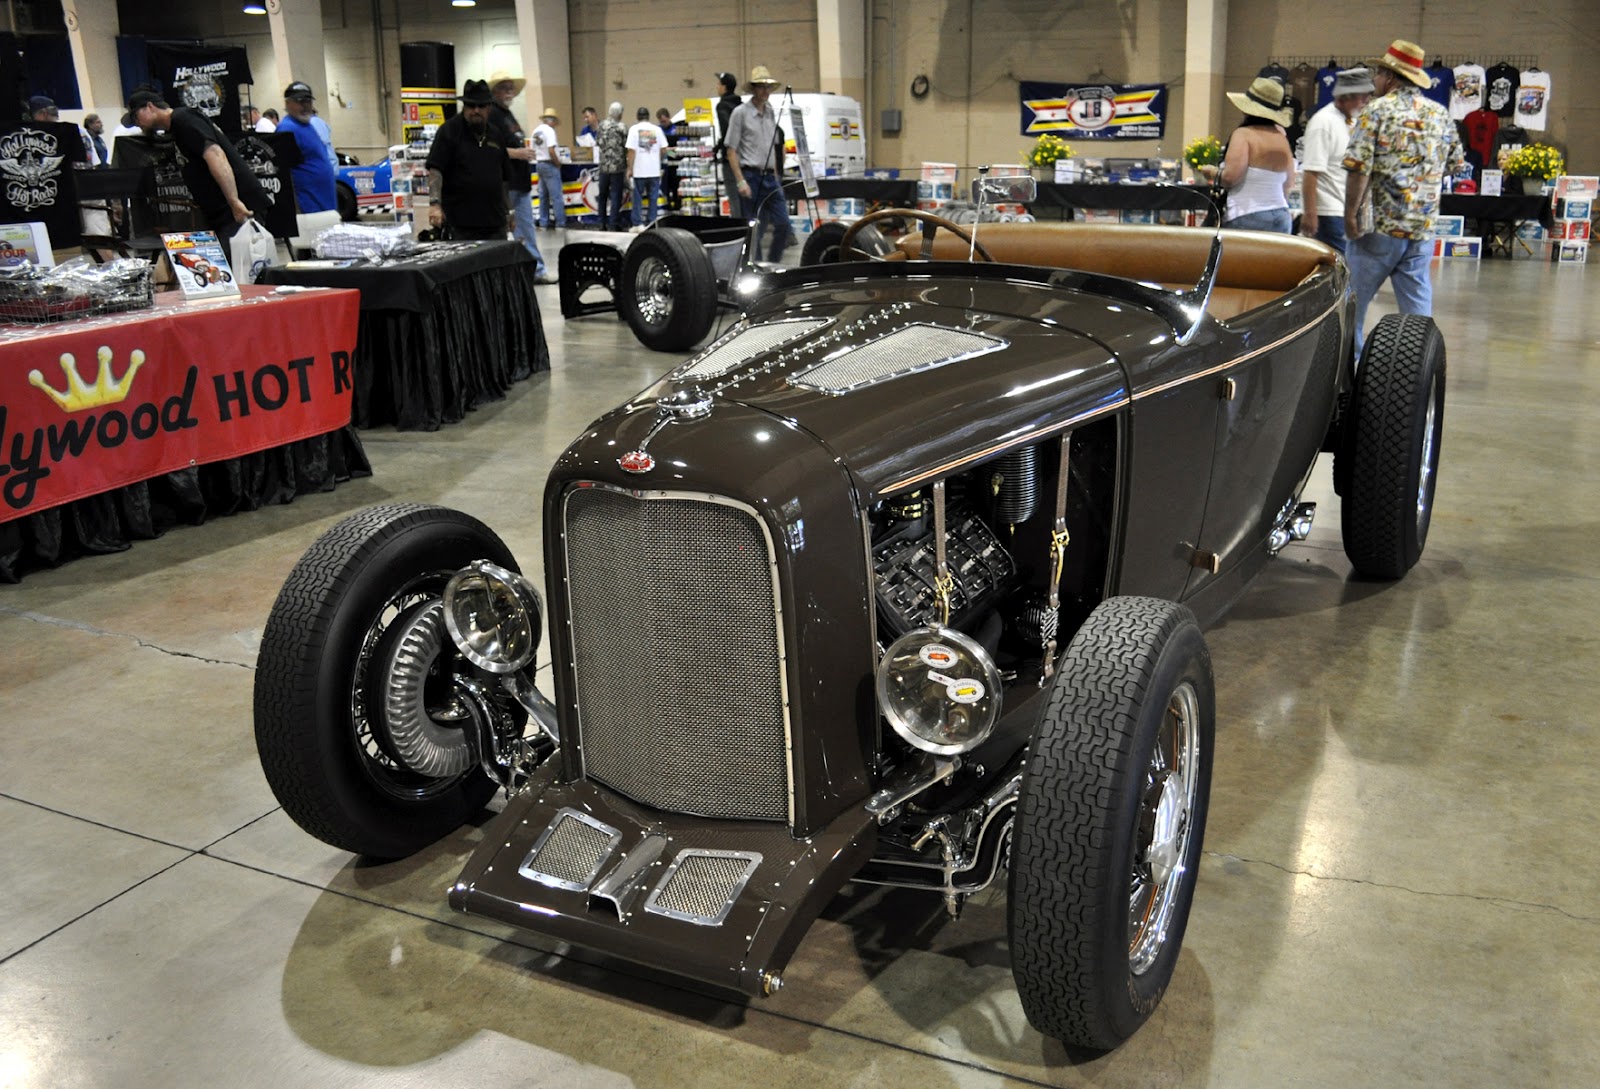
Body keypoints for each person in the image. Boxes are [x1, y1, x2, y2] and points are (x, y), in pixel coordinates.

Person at [1342, 39, 1465, 354]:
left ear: (1389, 76)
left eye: (1377, 74)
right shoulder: (1440, 114)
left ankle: (1348, 376)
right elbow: (1454, 165)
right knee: (1417, 311)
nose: (1374, 80)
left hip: (1379, 228)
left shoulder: (1377, 111)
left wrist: (1350, 215)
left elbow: (1359, 169)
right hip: (1422, 228)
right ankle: (1417, 372)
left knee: (1353, 305)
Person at [127, 89, 271, 240]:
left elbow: (216, 155)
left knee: (240, 261)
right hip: (221, 209)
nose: (137, 124)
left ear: (150, 107)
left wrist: (234, 202)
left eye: (136, 117)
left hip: (237, 206)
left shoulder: (184, 120)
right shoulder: (175, 128)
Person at [424, 79, 511, 242]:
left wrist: (509, 212)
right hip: (460, 225)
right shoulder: (449, 131)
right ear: (464, 107)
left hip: (495, 224)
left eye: (481, 106)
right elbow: (436, 170)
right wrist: (435, 204)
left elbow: (504, 178)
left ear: (489, 108)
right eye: (471, 106)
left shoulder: (496, 134)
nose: (476, 110)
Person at [1205, 76, 1295, 232]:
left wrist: (1211, 172)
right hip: (1281, 214)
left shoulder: (1243, 134)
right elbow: (1288, 183)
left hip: (1246, 213)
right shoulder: (1282, 139)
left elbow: (1231, 177)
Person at [724, 65, 795, 261]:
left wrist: (776, 174)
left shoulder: (771, 111)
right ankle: (756, 266)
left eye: (768, 87)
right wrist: (740, 181)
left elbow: (774, 145)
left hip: (770, 177)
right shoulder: (740, 113)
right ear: (754, 89)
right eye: (761, 87)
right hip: (751, 176)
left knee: (783, 224)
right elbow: (731, 150)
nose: (766, 91)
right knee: (755, 227)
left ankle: (772, 263)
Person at [1299, 67, 1373, 253]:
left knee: (1344, 272)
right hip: (1328, 213)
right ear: (1345, 96)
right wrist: (1310, 213)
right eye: (1361, 96)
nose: (1366, 100)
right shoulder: (1323, 122)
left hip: (1345, 211)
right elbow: (1310, 172)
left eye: (1368, 95)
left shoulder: (1352, 120)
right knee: (1341, 272)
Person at [486, 70, 551, 281]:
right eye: (505, 88)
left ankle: (532, 269)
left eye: (511, 88)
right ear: (495, 91)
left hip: (519, 181)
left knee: (525, 228)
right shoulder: (493, 115)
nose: (509, 92)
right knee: (521, 228)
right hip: (509, 182)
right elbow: (491, 149)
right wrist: (519, 153)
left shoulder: (507, 114)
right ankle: (533, 270)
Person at [275, 81, 338, 214]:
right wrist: (296, 209)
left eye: (308, 101)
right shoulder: (287, 129)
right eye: (299, 101)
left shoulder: (307, 125)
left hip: (323, 202)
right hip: (308, 206)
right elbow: (284, 174)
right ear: (287, 103)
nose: (305, 106)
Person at [625, 105, 665, 228]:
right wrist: (657, 160)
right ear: (648, 117)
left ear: (638, 117)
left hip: (639, 170)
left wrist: (629, 168)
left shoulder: (634, 129)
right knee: (653, 198)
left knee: (637, 198)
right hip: (654, 170)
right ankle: (652, 222)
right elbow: (664, 149)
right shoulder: (657, 130)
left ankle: (637, 223)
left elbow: (631, 151)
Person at [532, 106, 565, 228]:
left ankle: (543, 222)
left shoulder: (536, 131)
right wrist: (557, 163)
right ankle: (560, 223)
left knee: (543, 196)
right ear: (552, 121)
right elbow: (551, 151)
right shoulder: (550, 131)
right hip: (549, 164)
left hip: (539, 164)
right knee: (556, 196)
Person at [596, 101, 628, 230]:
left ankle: (601, 222)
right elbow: (626, 146)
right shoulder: (622, 127)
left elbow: (597, 142)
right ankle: (613, 224)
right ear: (619, 114)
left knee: (602, 195)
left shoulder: (601, 125)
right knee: (615, 196)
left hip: (603, 167)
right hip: (617, 167)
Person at [712, 71, 742, 208]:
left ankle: (739, 227)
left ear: (724, 87)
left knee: (734, 197)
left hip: (730, 158)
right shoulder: (741, 105)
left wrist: (718, 148)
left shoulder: (722, 106)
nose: (717, 87)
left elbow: (727, 131)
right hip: (744, 156)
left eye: (719, 84)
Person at [655, 107, 681, 211]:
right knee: (665, 188)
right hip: (663, 165)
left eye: (664, 121)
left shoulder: (676, 129)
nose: (663, 124)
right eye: (661, 122)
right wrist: (668, 150)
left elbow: (681, 147)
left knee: (675, 187)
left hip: (676, 164)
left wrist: (666, 150)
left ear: (669, 118)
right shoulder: (658, 130)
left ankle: (677, 205)